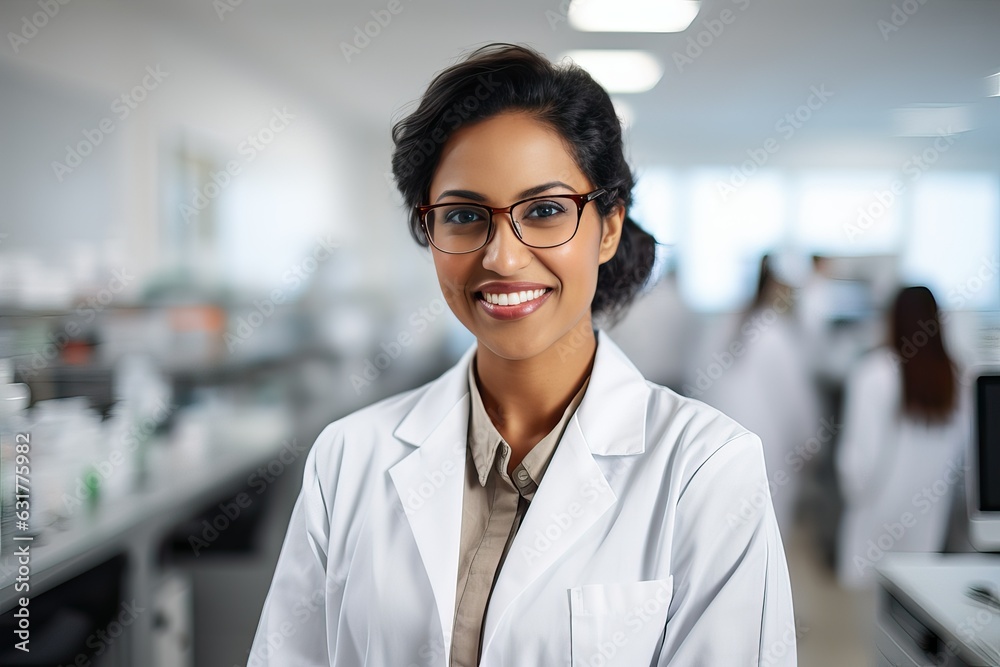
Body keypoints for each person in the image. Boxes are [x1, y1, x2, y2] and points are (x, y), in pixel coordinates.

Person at [248, 43, 795, 666]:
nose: (503, 258)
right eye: (463, 215)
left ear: (609, 227)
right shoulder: (347, 459)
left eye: (545, 211)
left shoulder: (708, 469)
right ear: (429, 233)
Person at [836, 286, 969, 589]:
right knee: (912, 604)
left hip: (875, 524)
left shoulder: (874, 373)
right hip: (926, 529)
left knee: (870, 612)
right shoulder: (955, 377)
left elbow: (857, 467)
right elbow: (964, 462)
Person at [699, 255, 820, 536]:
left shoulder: (729, 323)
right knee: (765, 533)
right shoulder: (774, 334)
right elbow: (795, 401)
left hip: (720, 443)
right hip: (766, 449)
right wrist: (810, 442)